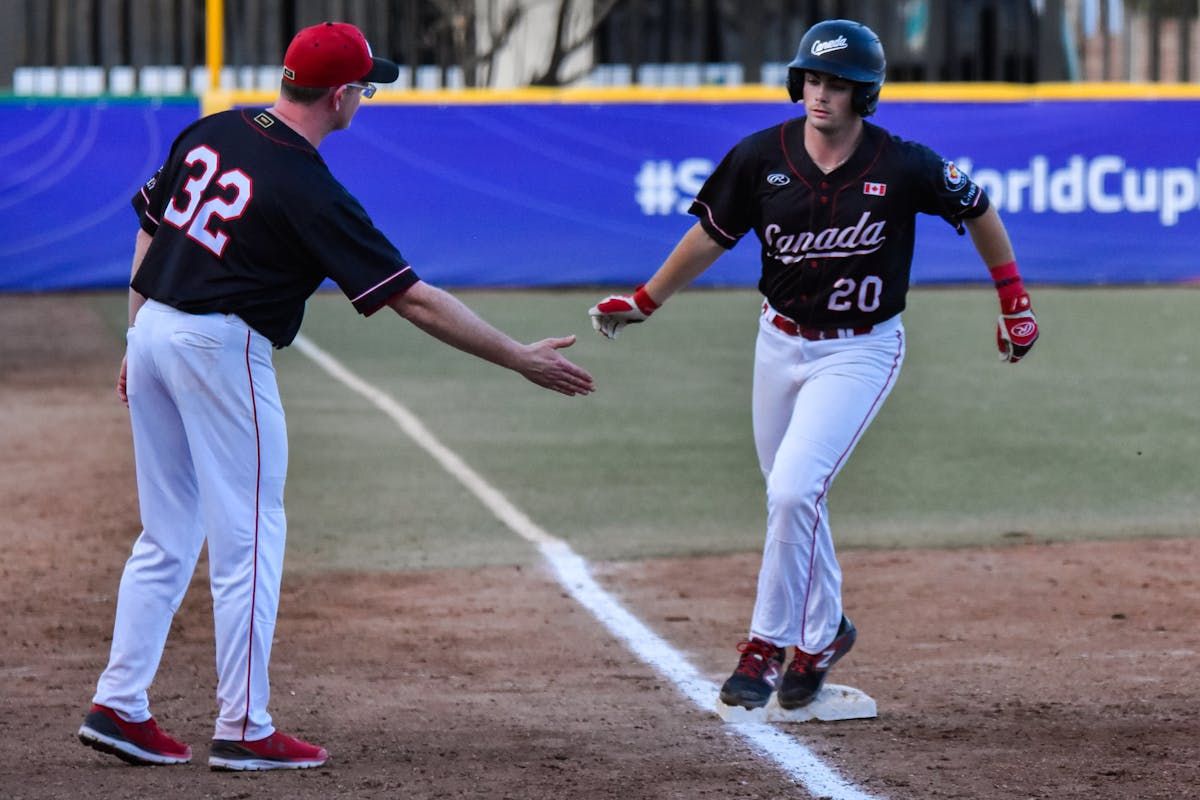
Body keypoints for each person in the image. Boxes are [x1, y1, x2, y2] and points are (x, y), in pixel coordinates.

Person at [78, 21, 594, 771]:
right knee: (250, 537)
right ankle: (244, 726)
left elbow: (150, 231)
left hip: (155, 326)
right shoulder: (308, 186)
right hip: (220, 347)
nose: (366, 98)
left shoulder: (213, 129)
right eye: (366, 87)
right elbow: (413, 300)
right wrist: (517, 357)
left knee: (166, 533)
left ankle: (119, 704)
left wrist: (135, 340)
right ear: (341, 95)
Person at [588, 19, 1038, 711]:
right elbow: (712, 236)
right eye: (813, 79)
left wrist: (1013, 300)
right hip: (779, 341)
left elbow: (978, 210)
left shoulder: (902, 163)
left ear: (865, 93)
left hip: (861, 348)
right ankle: (824, 634)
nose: (821, 94)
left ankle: (764, 646)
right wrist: (647, 300)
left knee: (796, 491)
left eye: (838, 83)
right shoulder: (759, 157)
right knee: (794, 496)